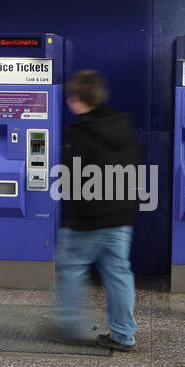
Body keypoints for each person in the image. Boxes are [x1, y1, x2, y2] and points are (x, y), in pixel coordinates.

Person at [53, 70, 141, 352]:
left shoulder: (79, 132)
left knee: (70, 267)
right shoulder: (123, 126)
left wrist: (74, 217)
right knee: (118, 275)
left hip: (87, 220)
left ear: (77, 98)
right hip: (121, 217)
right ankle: (123, 335)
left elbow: (71, 178)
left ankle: (68, 325)